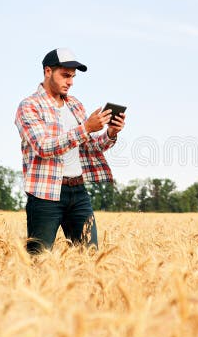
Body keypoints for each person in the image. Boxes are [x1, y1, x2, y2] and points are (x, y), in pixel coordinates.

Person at [14, 48, 125, 254]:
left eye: (72, 77)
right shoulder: (29, 106)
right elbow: (43, 147)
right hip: (45, 194)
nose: (70, 81)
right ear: (48, 72)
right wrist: (86, 128)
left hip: (78, 192)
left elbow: (90, 147)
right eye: (65, 75)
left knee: (89, 257)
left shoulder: (75, 105)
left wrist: (110, 132)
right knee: (40, 260)